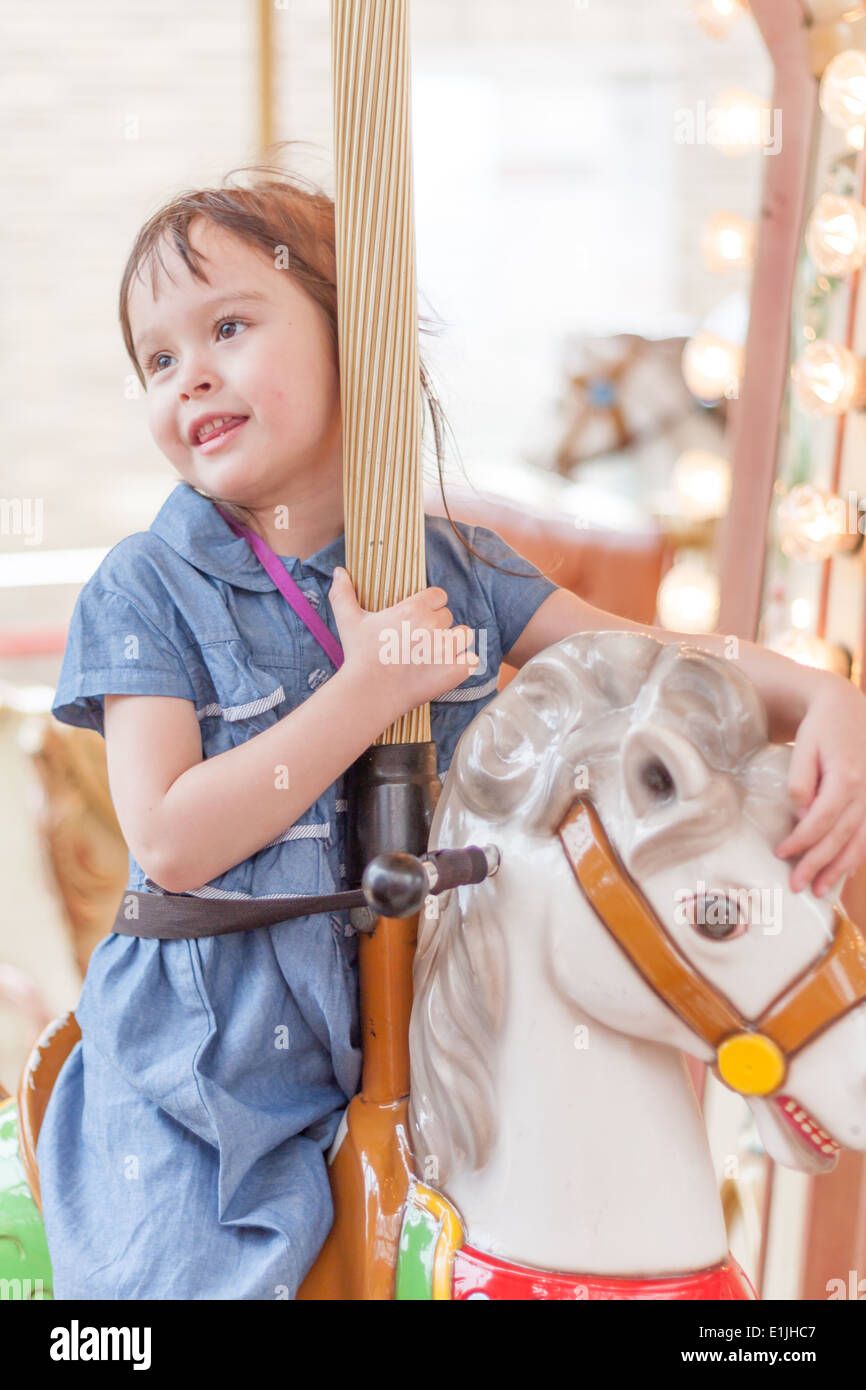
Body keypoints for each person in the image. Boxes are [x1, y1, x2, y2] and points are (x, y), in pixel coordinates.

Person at [37, 159, 866, 1301]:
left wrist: (824, 698)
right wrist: (366, 691)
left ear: (354, 341)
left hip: (431, 1033)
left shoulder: (456, 569)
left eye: (228, 326)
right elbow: (174, 840)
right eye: (158, 358)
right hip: (213, 1070)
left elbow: (646, 657)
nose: (190, 378)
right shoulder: (145, 589)